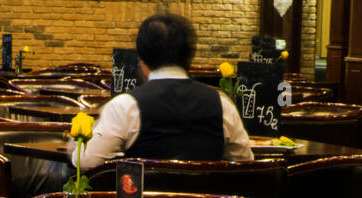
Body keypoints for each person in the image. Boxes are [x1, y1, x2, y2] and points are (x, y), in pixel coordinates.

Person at [78, 14, 254, 169]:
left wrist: (74, 144)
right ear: (190, 58)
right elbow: (245, 162)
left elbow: (88, 162)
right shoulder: (222, 104)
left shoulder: (124, 106)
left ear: (142, 61)